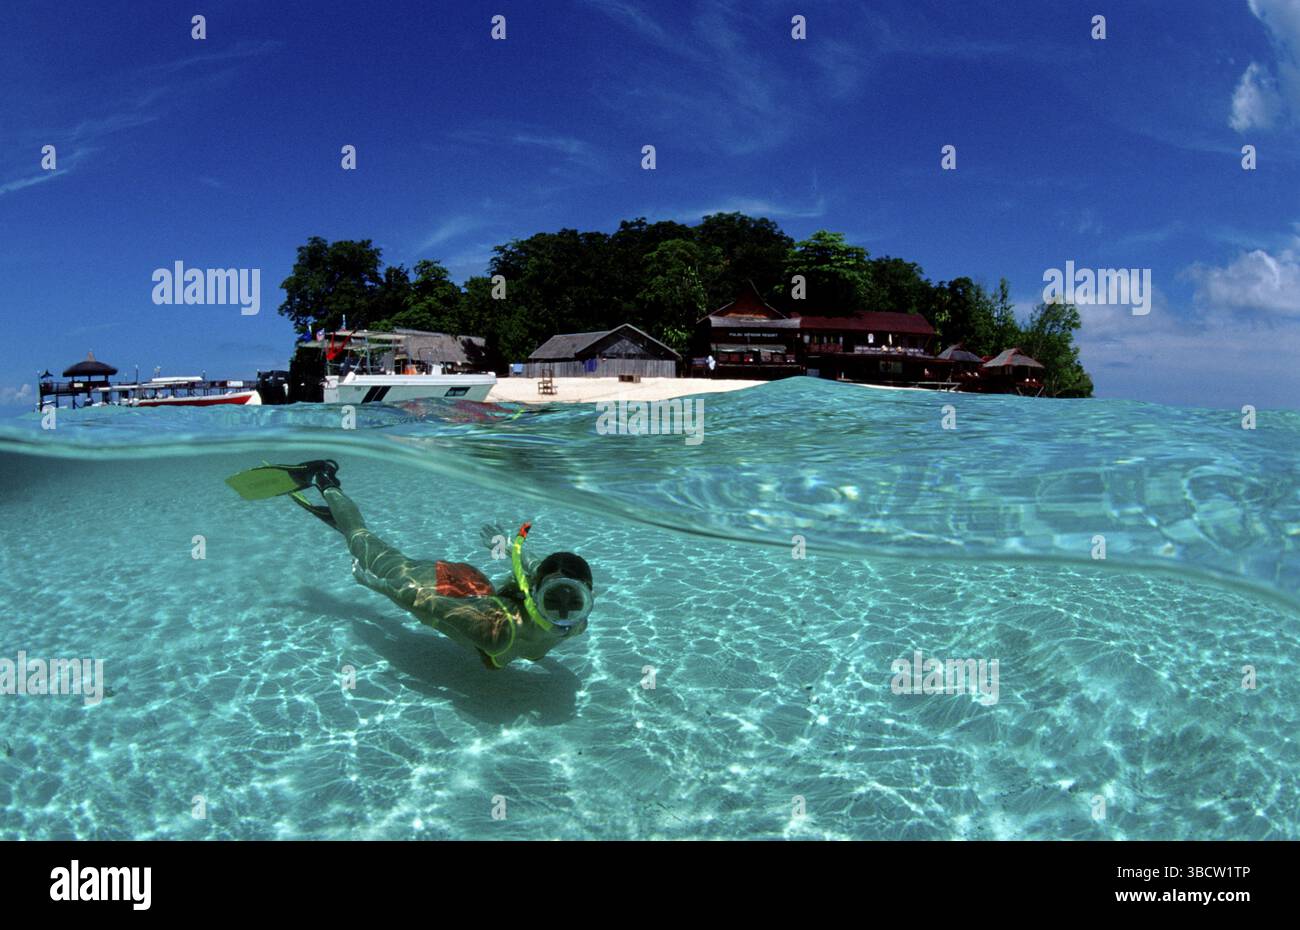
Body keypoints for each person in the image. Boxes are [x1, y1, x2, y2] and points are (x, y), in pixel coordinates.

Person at [225, 460, 593, 669]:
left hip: (478, 589)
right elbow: (425, 603)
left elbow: (536, 573)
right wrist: (381, 586)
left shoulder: (575, 622)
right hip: (451, 586)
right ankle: (324, 480)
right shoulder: (494, 632)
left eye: (574, 601)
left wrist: (513, 549)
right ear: (533, 593)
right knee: (363, 546)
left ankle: (346, 523)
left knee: (366, 544)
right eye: (556, 596)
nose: (563, 611)